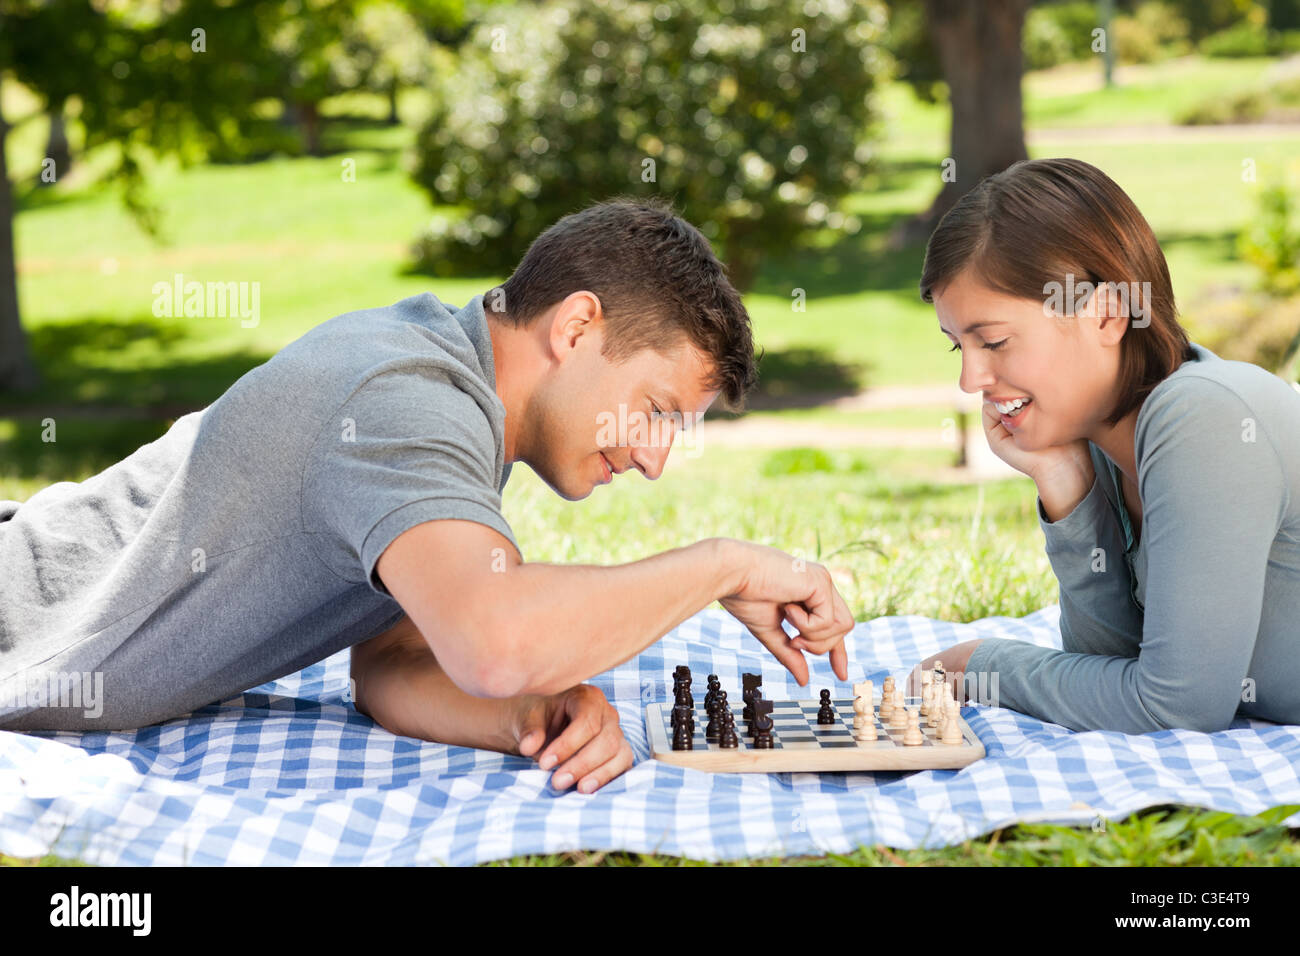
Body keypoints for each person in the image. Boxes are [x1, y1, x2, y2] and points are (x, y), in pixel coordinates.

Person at [0, 197, 854, 793]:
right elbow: (495, 641)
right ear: (576, 326)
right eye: (657, 411)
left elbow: (394, 664)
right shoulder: (405, 400)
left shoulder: (453, 395)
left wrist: (527, 717)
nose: (656, 458)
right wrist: (723, 566)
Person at [912, 157, 1300, 734]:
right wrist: (1068, 491)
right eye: (957, 347)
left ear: (1108, 314)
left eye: (993, 341)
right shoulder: (1104, 440)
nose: (971, 381)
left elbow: (1177, 709)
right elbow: (1113, 671)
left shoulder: (1204, 414)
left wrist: (983, 665)